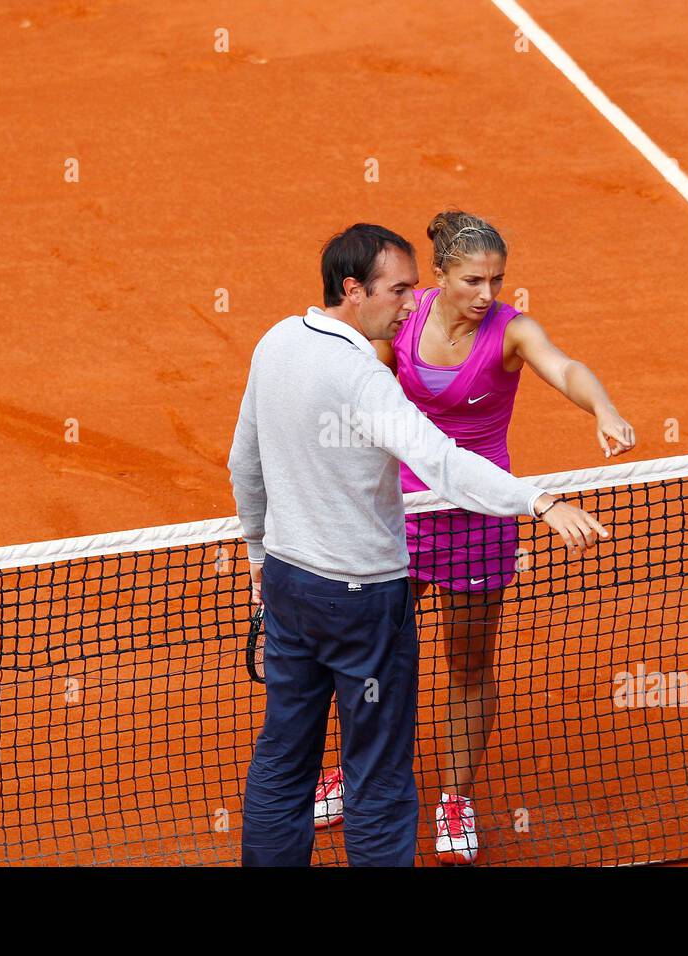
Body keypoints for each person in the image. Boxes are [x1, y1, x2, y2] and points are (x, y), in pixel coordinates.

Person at [229, 222, 609, 866]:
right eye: (399, 290)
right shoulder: (366, 377)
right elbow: (440, 460)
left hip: (292, 583)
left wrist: (260, 559)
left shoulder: (274, 342)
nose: (409, 305)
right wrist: (536, 500)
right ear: (356, 290)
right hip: (368, 584)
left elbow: (244, 463)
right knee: (379, 774)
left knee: (281, 753)